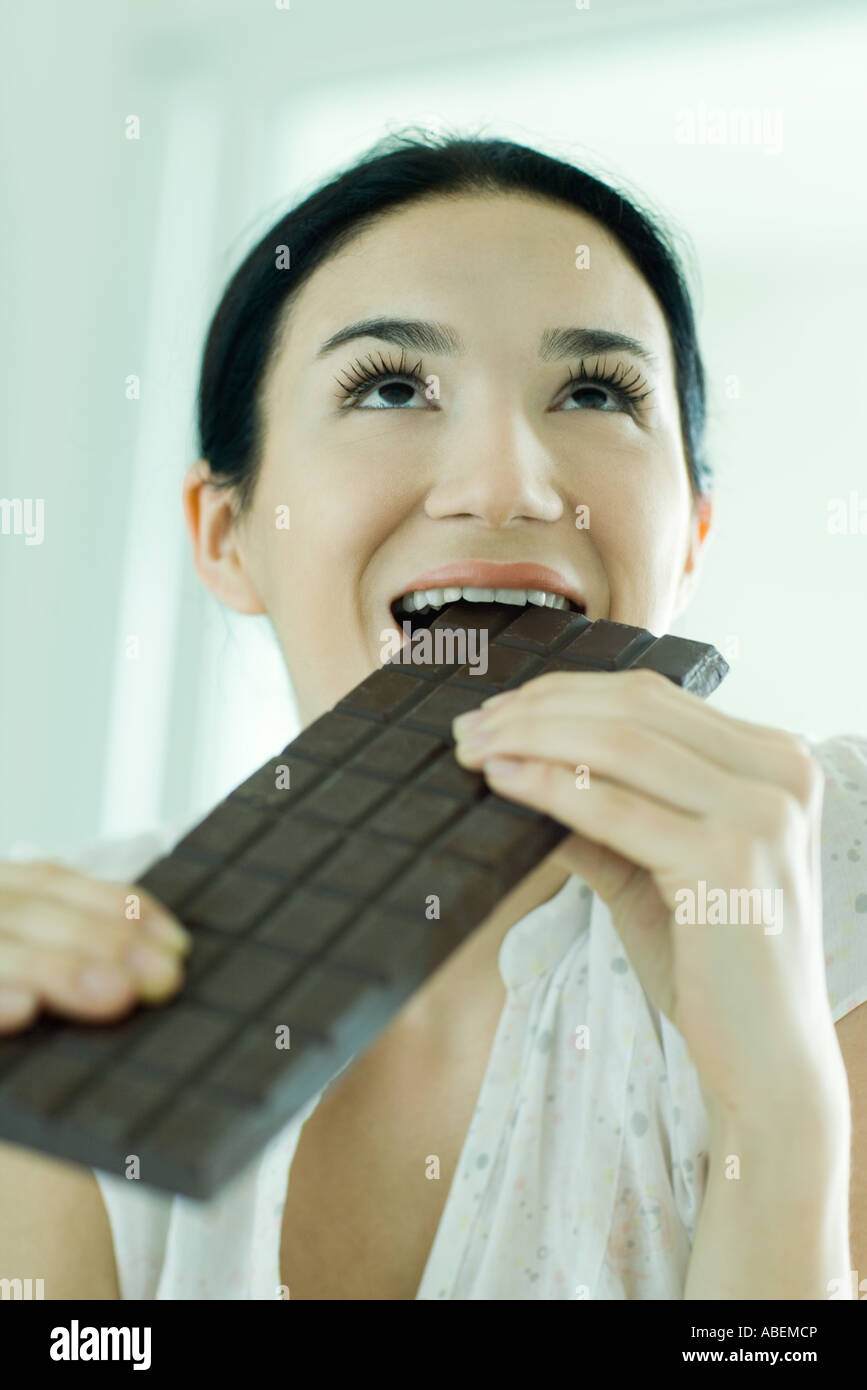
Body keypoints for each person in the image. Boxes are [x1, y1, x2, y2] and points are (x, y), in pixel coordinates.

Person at [1, 130, 865, 1301]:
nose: (507, 482)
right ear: (228, 534)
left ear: (692, 538)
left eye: (597, 391)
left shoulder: (831, 873)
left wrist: (780, 1112)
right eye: (391, 386)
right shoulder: (64, 976)